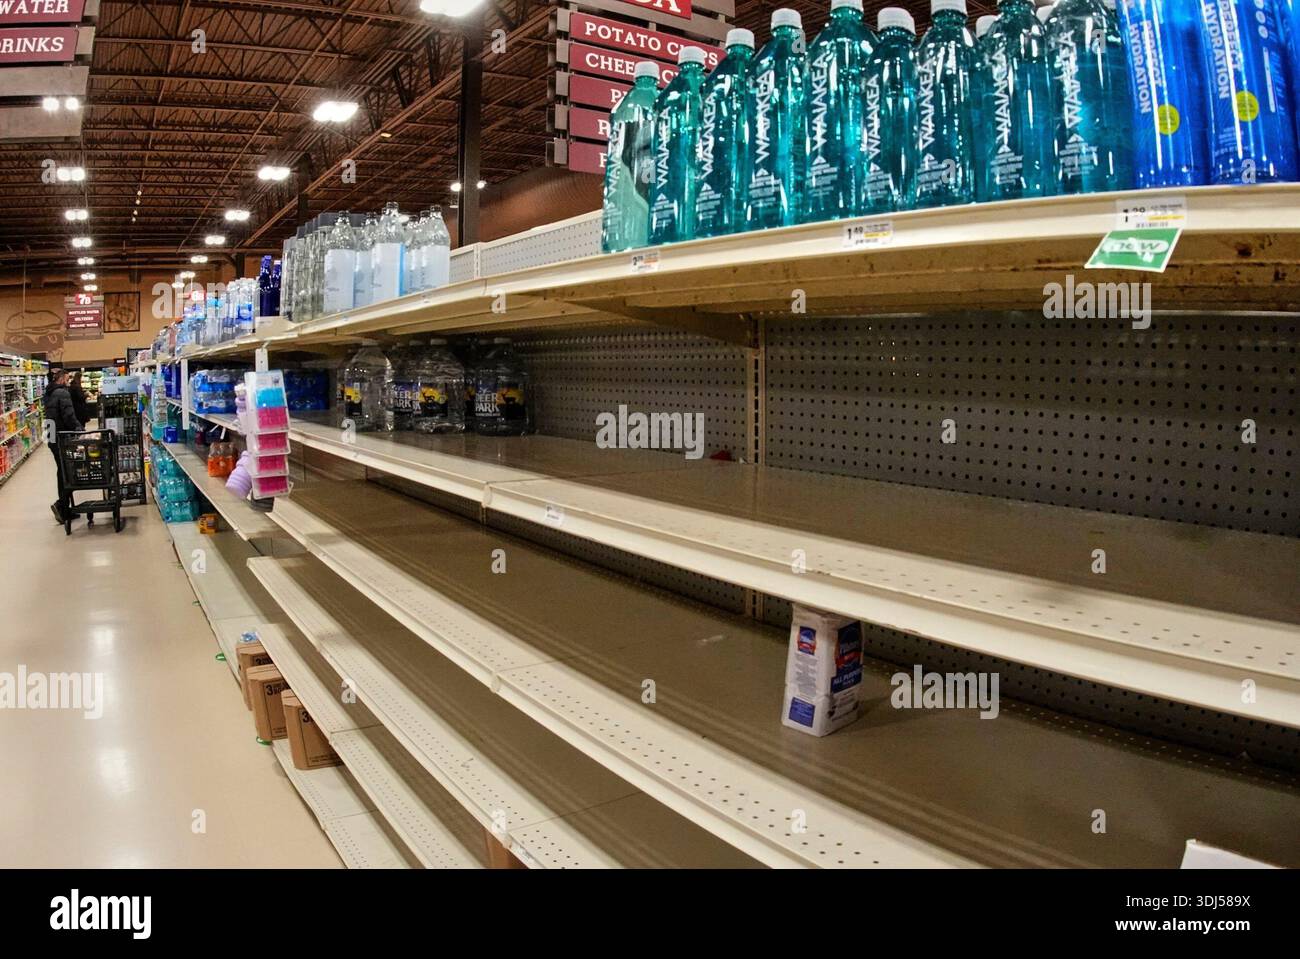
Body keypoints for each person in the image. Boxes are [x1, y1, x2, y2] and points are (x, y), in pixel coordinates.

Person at [43, 368, 83, 524]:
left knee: (62, 470)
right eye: (66, 379)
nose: (68, 382)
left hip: (53, 436)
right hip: (62, 437)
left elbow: (50, 417)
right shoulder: (62, 393)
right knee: (67, 472)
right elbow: (69, 416)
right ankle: (62, 506)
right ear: (61, 379)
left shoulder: (48, 393)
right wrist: (79, 430)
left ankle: (64, 508)